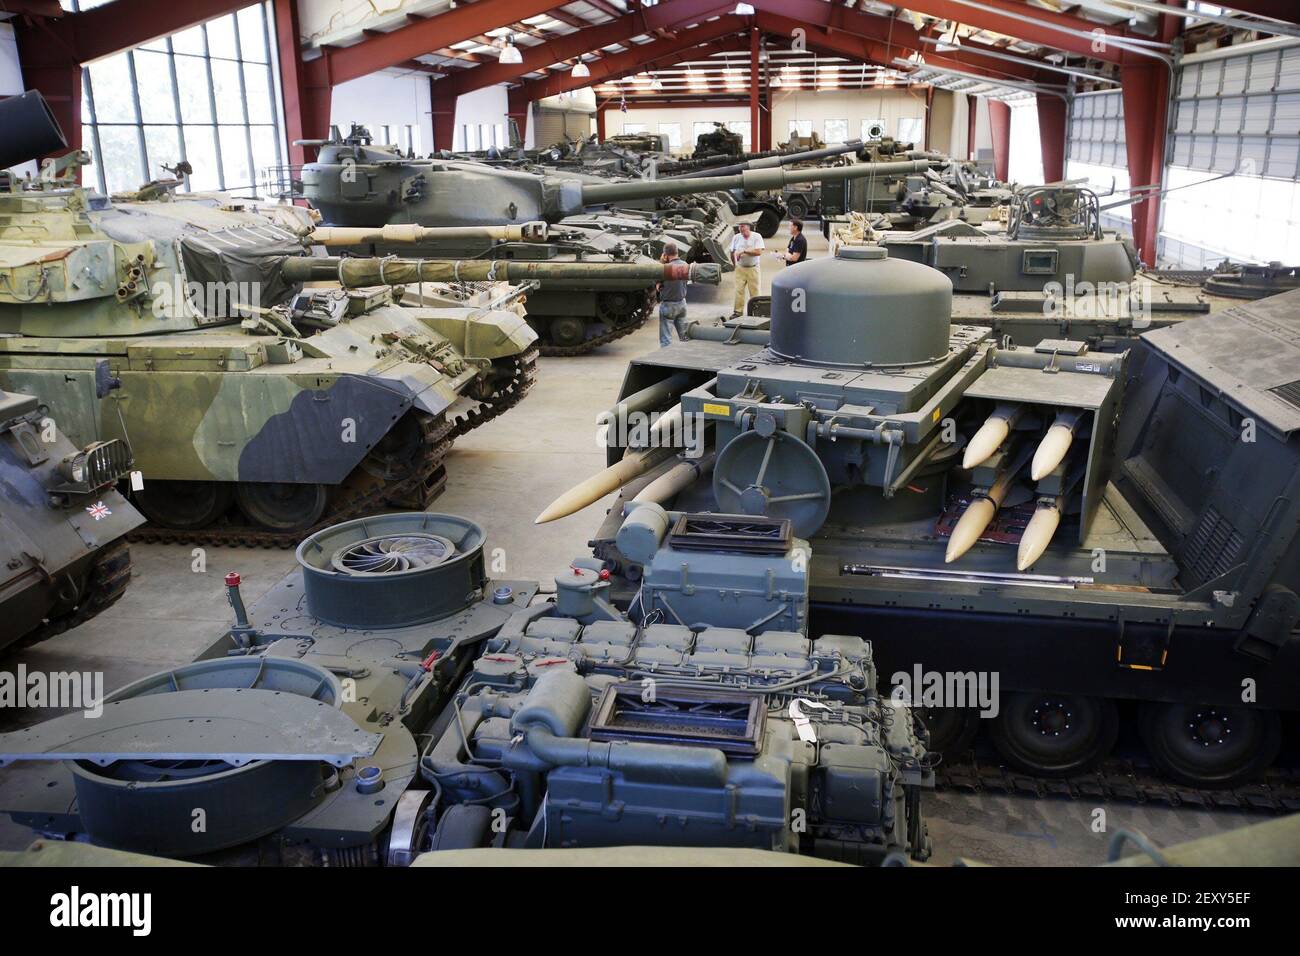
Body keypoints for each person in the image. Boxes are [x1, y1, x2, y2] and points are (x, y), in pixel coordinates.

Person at [729, 221, 764, 317]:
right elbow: (732, 252)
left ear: (748, 227)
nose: (740, 229)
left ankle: (756, 312)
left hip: (753, 268)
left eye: (743, 226)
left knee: (755, 291)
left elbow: (758, 251)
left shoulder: (757, 237)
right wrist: (734, 264)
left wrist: (743, 251)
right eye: (739, 227)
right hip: (740, 268)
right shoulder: (736, 237)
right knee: (738, 290)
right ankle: (737, 312)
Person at [658, 241, 688, 348]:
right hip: (682, 304)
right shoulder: (685, 265)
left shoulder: (664, 268)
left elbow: (657, 286)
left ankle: (667, 360)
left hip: (668, 306)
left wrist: (662, 263)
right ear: (677, 252)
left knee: (666, 340)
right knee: (685, 336)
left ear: (665, 255)